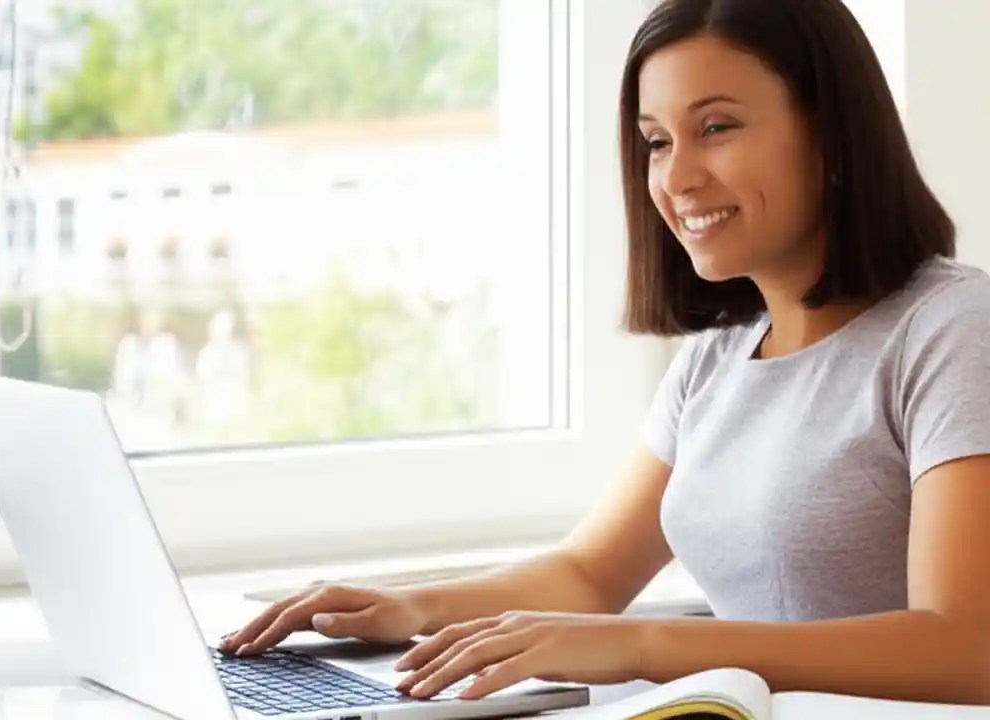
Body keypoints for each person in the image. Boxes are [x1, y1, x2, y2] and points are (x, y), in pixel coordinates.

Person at [218, 0, 990, 706]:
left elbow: (966, 646)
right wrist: (409, 606)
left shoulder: (950, 327)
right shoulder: (720, 356)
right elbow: (591, 574)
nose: (678, 177)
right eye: (657, 142)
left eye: (716, 127)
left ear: (831, 132)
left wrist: (649, 645)